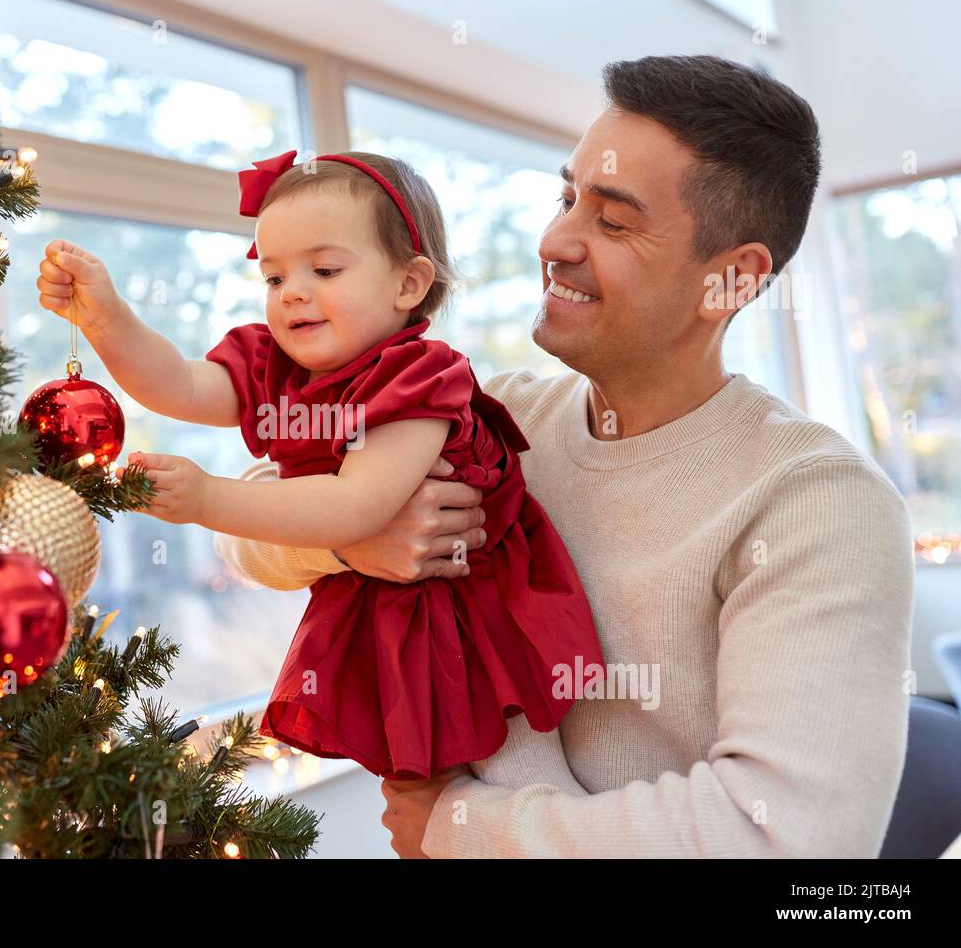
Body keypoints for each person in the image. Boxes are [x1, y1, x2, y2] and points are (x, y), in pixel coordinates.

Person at [214, 55, 915, 858]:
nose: (554, 240)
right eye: (566, 197)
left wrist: (459, 826)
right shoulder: (491, 416)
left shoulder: (817, 502)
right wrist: (349, 537)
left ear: (730, 280)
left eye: (612, 221)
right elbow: (245, 519)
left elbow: (788, 839)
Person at [35, 150, 603, 781]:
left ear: (409, 284)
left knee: (513, 775)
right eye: (275, 279)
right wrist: (106, 319)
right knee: (421, 794)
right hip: (386, 616)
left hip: (476, 624)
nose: (293, 293)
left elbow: (353, 507)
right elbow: (177, 385)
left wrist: (207, 499)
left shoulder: (420, 380)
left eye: (325, 269)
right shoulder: (280, 367)